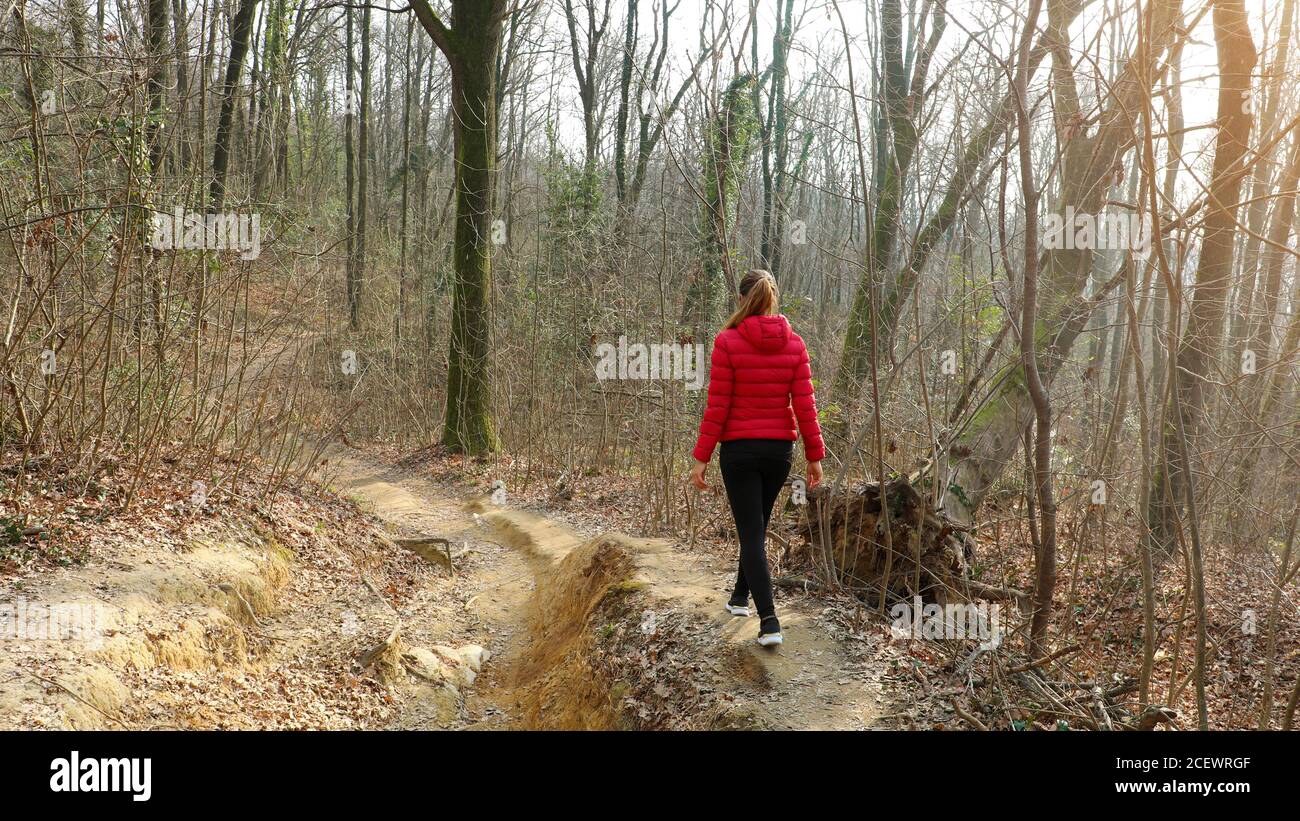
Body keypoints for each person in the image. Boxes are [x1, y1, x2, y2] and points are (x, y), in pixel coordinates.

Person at [688, 269, 825, 647]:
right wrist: (814, 456)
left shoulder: (727, 342)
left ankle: (769, 621)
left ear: (741, 299)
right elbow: (805, 407)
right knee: (756, 529)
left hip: (740, 452)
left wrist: (701, 457)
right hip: (778, 452)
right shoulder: (795, 345)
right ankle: (738, 598)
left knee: (751, 534)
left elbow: (718, 407)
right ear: (772, 299)